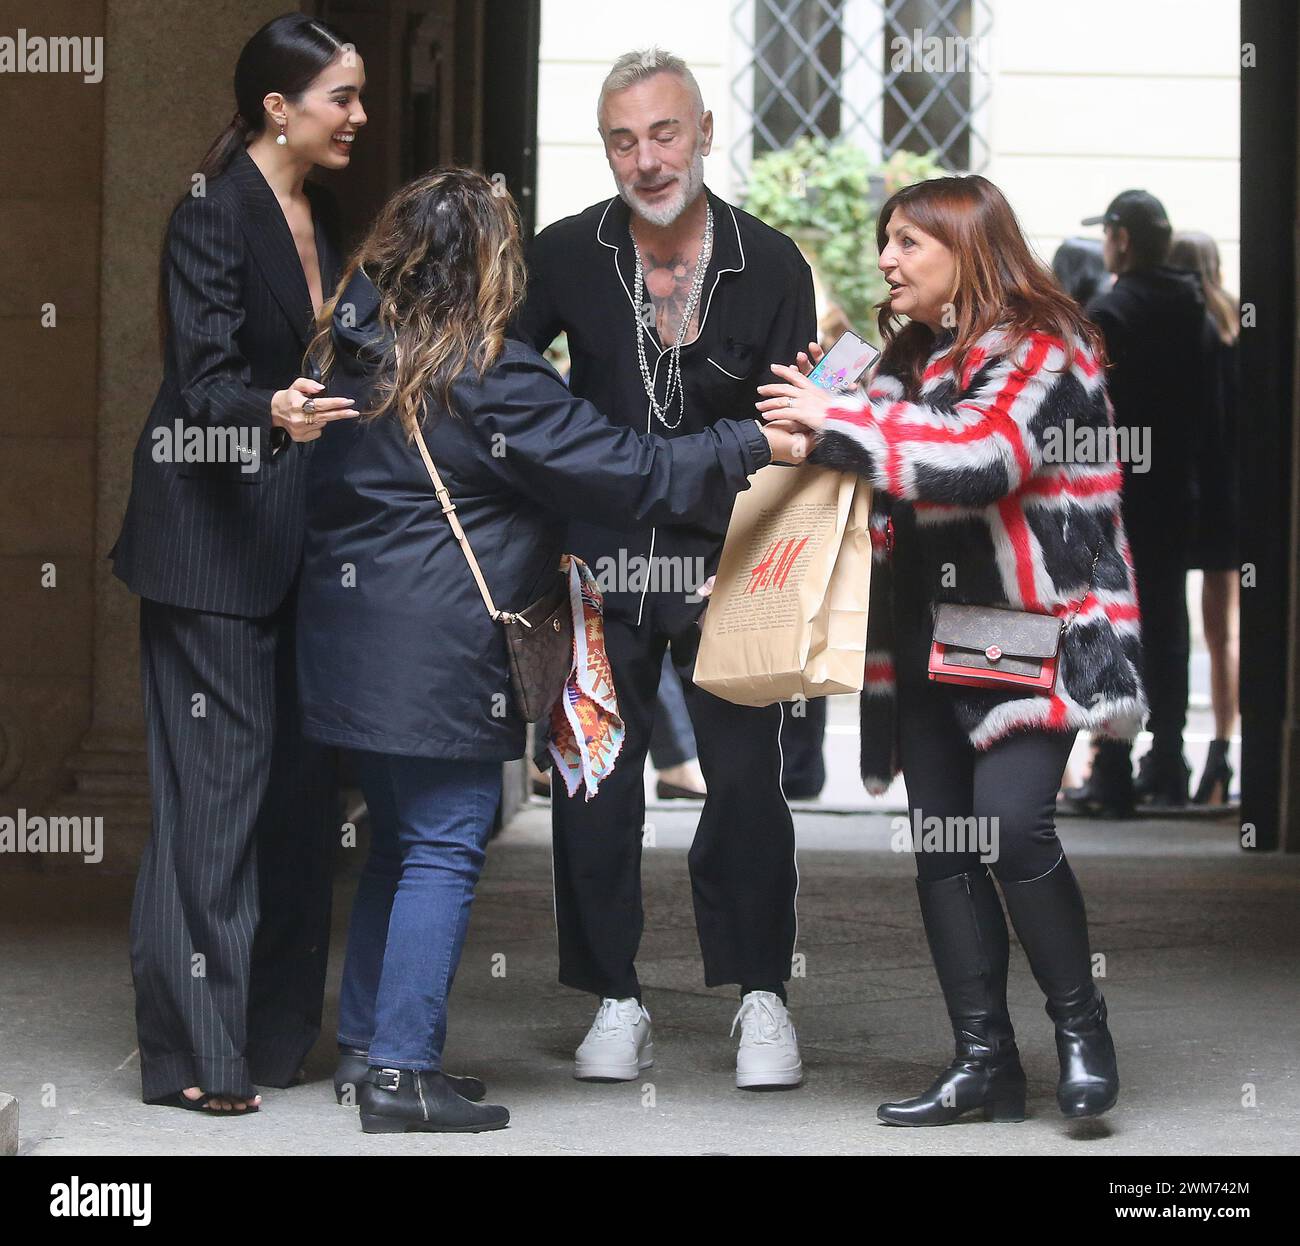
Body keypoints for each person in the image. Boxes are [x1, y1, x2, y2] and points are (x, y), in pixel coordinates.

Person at [296, 168, 806, 1134]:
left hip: (352, 642)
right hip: (438, 646)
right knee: (444, 846)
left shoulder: (352, 349)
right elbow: (631, 469)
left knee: (397, 844)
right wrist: (750, 444)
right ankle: (403, 1072)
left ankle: (366, 1049)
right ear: (491, 262)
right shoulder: (487, 373)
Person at [758, 174, 1145, 1124]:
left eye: (907, 245)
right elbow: (844, 446)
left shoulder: (1050, 352)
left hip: (1029, 626)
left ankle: (1081, 1032)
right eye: (885, 243)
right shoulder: (905, 355)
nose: (886, 260)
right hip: (928, 632)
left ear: (967, 252)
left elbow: (980, 457)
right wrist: (828, 393)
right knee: (942, 844)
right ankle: (985, 1062)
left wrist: (840, 422)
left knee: (1012, 827)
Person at [512, 47, 817, 1090]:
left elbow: (788, 430)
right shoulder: (559, 254)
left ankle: (760, 991)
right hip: (597, 556)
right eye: (621, 138)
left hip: (733, 560)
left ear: (702, 132)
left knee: (745, 781)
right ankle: (614, 995)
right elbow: (501, 381)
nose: (645, 158)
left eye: (663, 132)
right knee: (595, 779)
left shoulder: (771, 262)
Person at [110, 13, 365, 1114]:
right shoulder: (210, 216)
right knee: (212, 808)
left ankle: (270, 1038)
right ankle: (195, 1058)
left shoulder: (326, 209)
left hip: (303, 546)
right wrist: (270, 409)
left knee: (300, 804)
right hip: (210, 547)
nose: (358, 115)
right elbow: (201, 387)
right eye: (341, 98)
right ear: (279, 107)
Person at [1072, 190, 1212, 812]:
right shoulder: (1196, 308)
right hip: (1176, 488)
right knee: (1168, 626)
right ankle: (1169, 758)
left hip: (1117, 494)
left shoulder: (1112, 311)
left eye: (1108, 235)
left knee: (1112, 626)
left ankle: (1112, 769)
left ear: (1122, 240)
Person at [1169, 231, 1240, 805]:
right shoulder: (1235, 323)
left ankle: (1168, 752)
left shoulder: (1184, 323)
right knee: (1224, 634)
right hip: (1230, 493)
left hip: (1185, 489)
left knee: (1173, 616)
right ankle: (1222, 749)